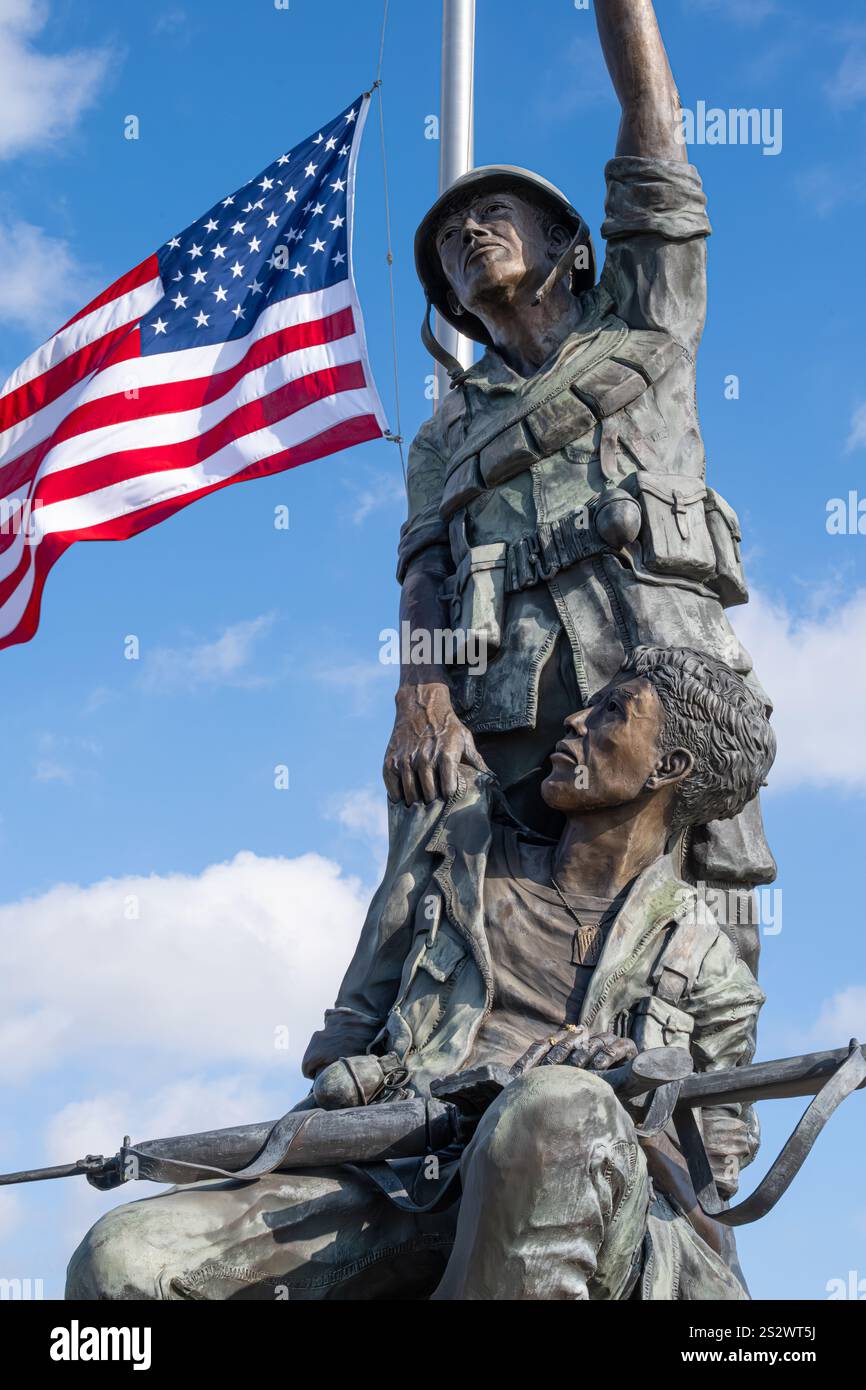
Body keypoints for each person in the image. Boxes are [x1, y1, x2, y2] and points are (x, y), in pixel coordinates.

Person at [67, 646, 775, 1301]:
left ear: (670, 766)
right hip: (398, 1176)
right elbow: (429, 583)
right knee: (122, 1261)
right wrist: (420, 698)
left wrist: (628, 1104)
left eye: (615, 711)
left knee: (559, 1106)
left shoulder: (711, 971)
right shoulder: (455, 847)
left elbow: (712, 1209)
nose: (577, 717)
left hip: (577, 1213)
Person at [386, 0, 775, 975]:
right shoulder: (446, 429)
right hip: (504, 684)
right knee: (469, 885)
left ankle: (694, 1105)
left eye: (493, 216)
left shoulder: (644, 319)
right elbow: (422, 574)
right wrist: (421, 696)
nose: (467, 233)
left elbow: (652, 133)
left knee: (697, 873)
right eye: (446, 241)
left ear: (568, 243)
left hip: (658, 647)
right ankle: (437, 1081)